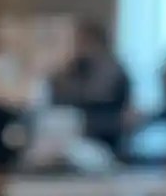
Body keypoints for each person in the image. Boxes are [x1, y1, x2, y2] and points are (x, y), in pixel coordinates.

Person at [50, 20, 133, 155]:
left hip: (104, 139)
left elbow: (99, 96)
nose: (79, 47)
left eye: (84, 41)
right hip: (73, 137)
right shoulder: (73, 69)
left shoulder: (112, 71)